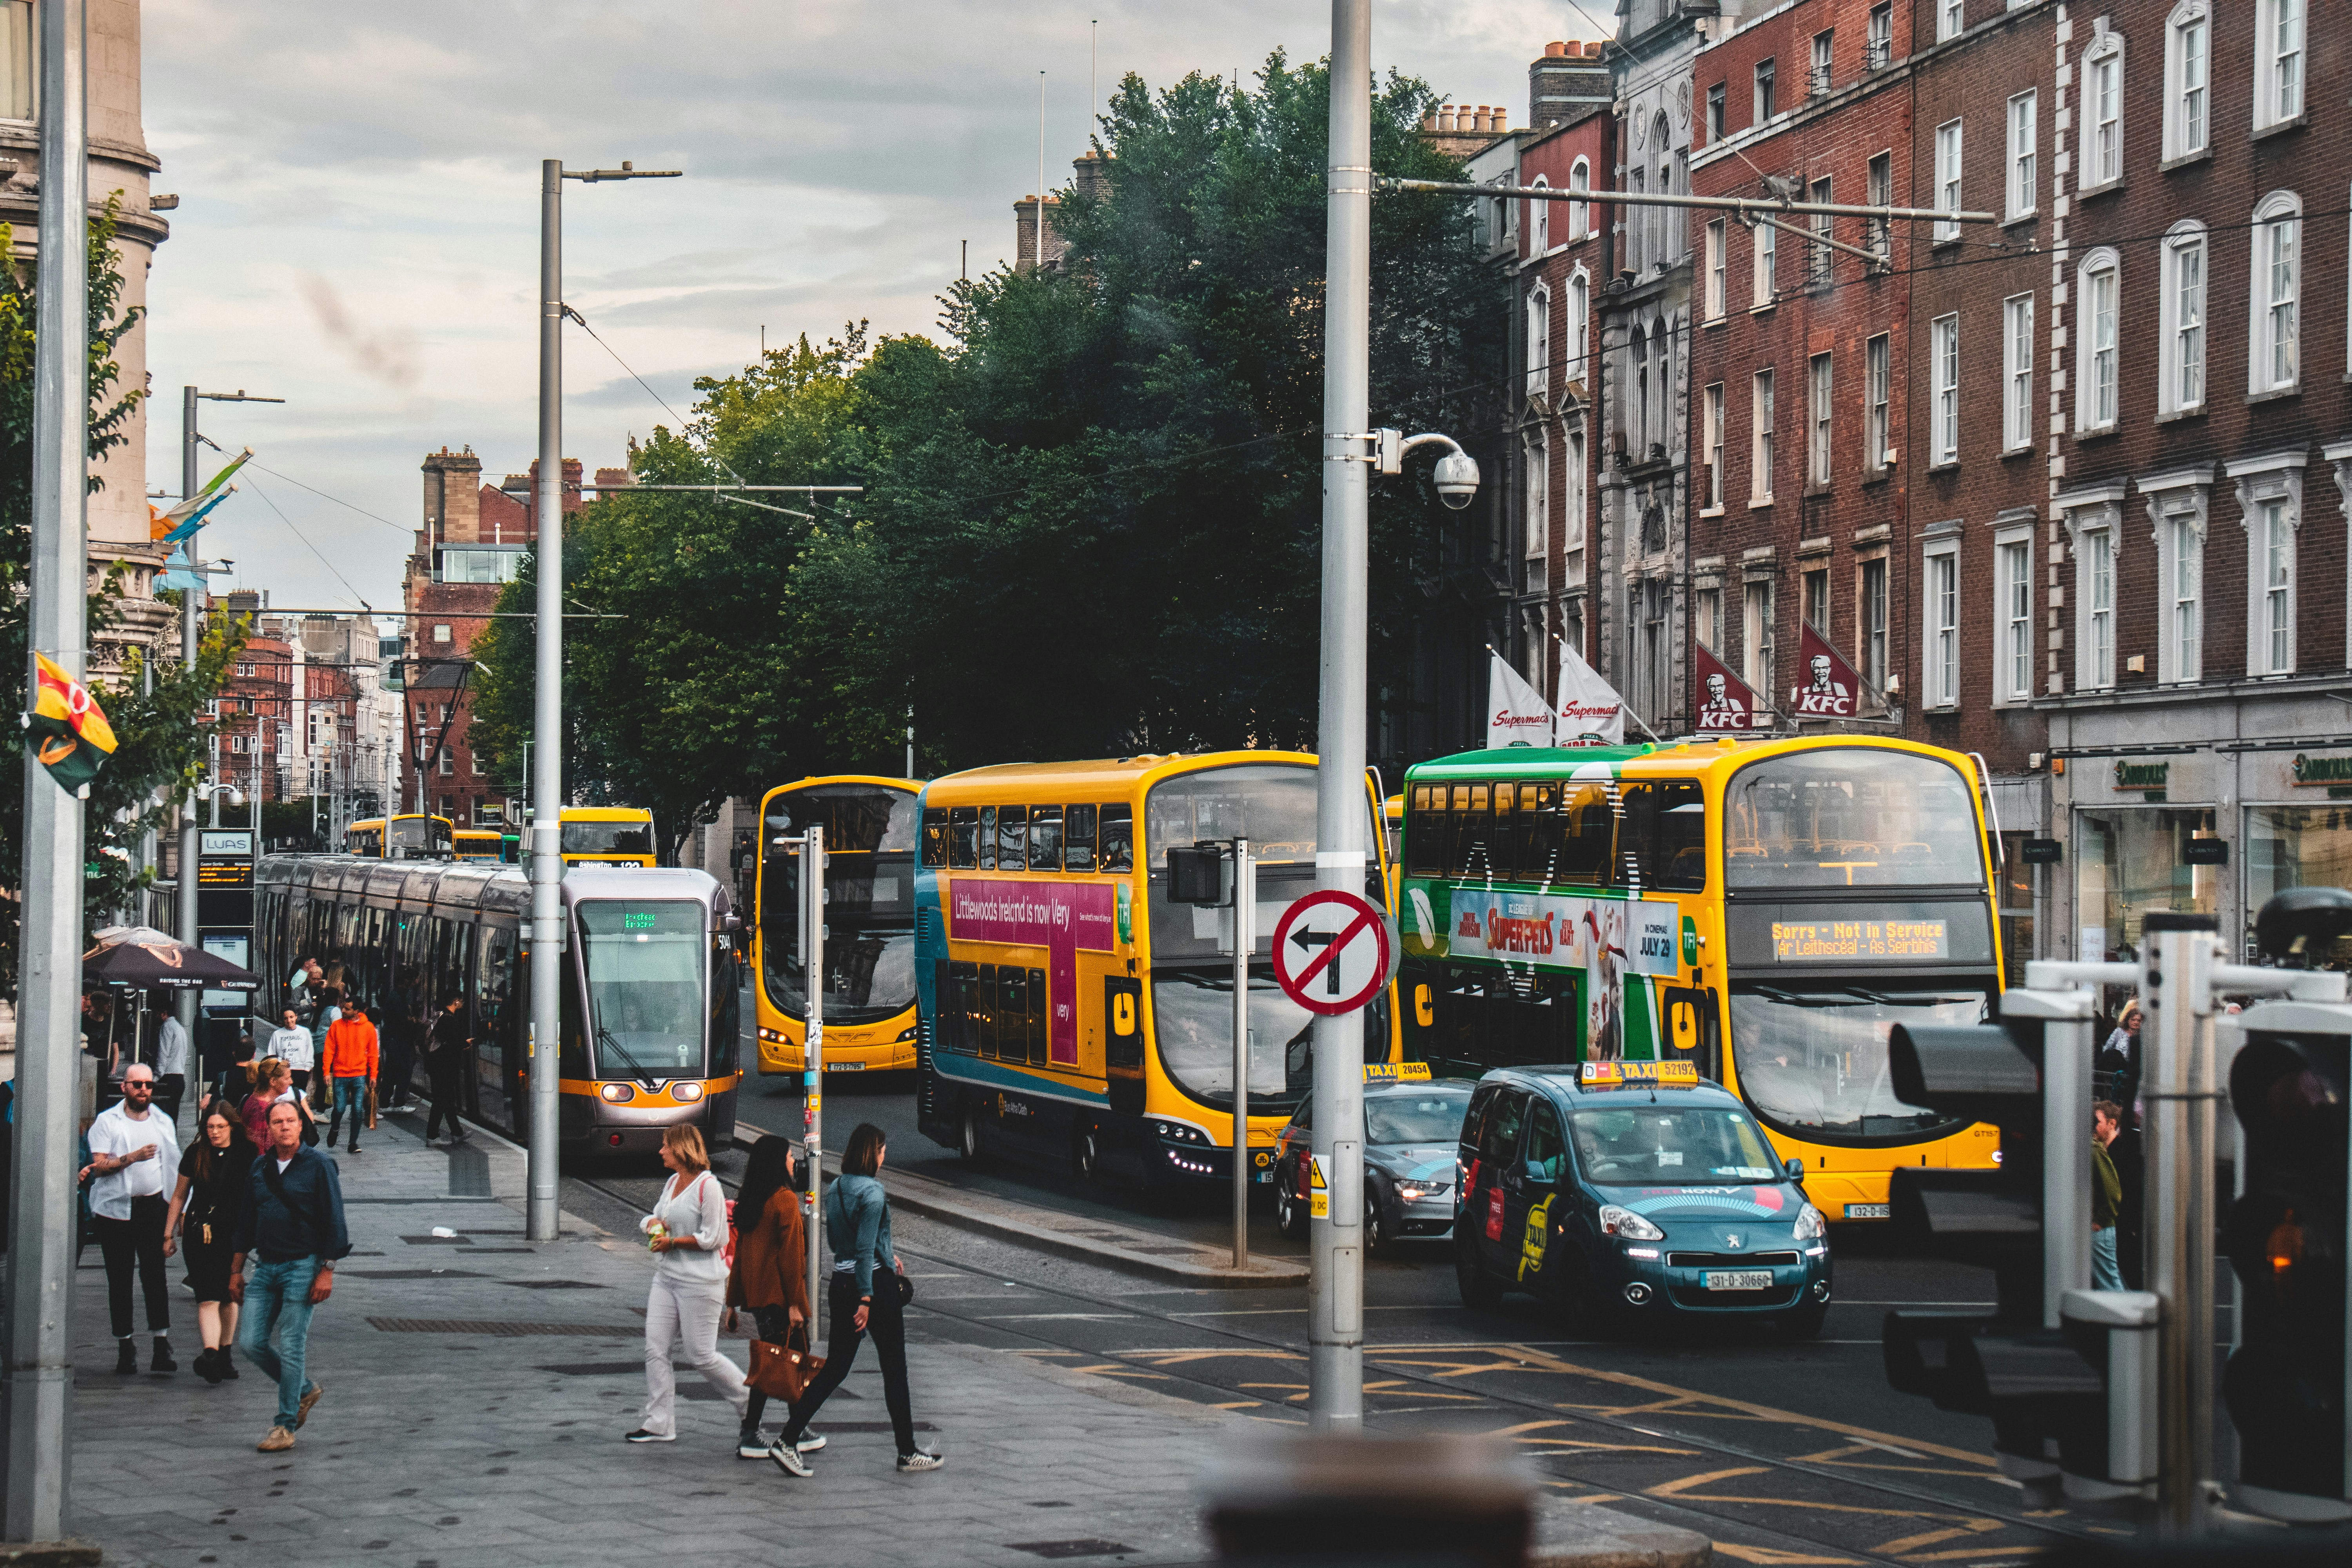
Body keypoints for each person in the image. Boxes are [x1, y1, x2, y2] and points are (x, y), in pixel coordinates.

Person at [768, 1123, 941, 1475]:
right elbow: (864, 1248)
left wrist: (883, 1254)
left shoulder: (837, 1188)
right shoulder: (874, 1194)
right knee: (895, 1370)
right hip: (871, 1288)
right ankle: (907, 1451)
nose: (884, 1155)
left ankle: (787, 1439)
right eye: (882, 1150)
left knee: (835, 1368)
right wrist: (867, 1298)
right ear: (873, 1154)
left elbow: (841, 1244)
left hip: (841, 1284)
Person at [232, 1098, 348, 1452]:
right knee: (251, 1343)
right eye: (277, 1121)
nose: (284, 1127)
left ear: (301, 1126)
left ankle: (284, 1427)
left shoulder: (319, 1166)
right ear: (268, 1128)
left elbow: (334, 1220)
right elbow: (247, 1222)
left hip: (304, 1265)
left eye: (290, 1121)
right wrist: (236, 1270)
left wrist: (327, 1271)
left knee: (292, 1342)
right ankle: (303, 1390)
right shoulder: (260, 1168)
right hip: (266, 1266)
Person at [628, 1125, 749, 1445]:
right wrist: (653, 1225)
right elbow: (655, 1216)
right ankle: (659, 1423)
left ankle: (748, 1402)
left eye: (666, 1146)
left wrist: (674, 1243)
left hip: (701, 1283)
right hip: (666, 1278)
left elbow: (716, 1238)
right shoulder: (672, 1182)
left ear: (681, 1149)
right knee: (655, 1349)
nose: (661, 1151)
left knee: (702, 1355)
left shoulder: (708, 1186)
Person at [724, 1138, 820, 1460]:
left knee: (784, 1358)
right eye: (791, 1157)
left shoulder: (751, 1199)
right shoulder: (784, 1201)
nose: (794, 1162)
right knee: (774, 1364)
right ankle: (752, 1433)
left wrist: (732, 1303)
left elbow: (740, 1256)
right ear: (778, 1163)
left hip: (758, 1297)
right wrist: (796, 1304)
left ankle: (797, 1428)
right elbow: (792, 1258)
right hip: (779, 1297)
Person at [83, 1063, 181, 1375]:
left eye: (149, 1085)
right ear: (124, 1087)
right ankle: (125, 1346)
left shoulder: (163, 1121)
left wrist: (176, 1215)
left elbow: (174, 1166)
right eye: (137, 1084)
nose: (144, 1090)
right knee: (120, 1279)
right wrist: (131, 1158)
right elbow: (98, 1166)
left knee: (155, 1276)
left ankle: (161, 1344)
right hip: (115, 1211)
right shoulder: (107, 1121)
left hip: (153, 1207)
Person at [164, 1103, 256, 1383]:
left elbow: (255, 1194)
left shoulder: (247, 1153)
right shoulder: (196, 1153)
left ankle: (224, 1354)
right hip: (199, 1233)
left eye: (220, 1127)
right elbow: (180, 1195)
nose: (214, 1133)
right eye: (210, 1127)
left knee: (228, 1294)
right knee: (207, 1296)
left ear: (232, 1126)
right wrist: (168, 1233)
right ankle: (211, 1354)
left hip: (232, 1234)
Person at [321, 1004, 379, 1155]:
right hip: (340, 1075)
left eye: (347, 1009)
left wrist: (373, 1075)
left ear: (356, 1011)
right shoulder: (336, 1026)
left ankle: (353, 1143)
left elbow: (373, 1053)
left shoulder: (368, 1028)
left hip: (359, 1075)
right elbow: (329, 1050)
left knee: (357, 1110)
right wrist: (327, 1072)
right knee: (339, 1108)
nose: (343, 1011)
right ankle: (335, 1128)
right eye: (343, 1008)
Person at [422, 996, 471, 1145]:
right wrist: (465, 1044)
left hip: (437, 1064)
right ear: (455, 1001)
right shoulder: (450, 1020)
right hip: (445, 1066)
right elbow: (453, 1042)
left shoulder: (440, 1016)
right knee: (441, 1100)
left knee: (447, 1100)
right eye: (461, 1000)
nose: (462, 1003)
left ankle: (457, 1133)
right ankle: (432, 1136)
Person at [2091, 1101, 2126, 1291]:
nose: (2094, 1125)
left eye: (2097, 1121)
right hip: (2107, 1225)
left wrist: (2101, 1220)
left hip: (2104, 1227)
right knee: (2111, 1278)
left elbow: (2114, 1192)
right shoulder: (2099, 1149)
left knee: (2110, 1283)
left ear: (2112, 1123)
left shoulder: (2098, 1150)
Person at [240, 1058, 295, 1147]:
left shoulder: (258, 1100)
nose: (291, 1082)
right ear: (273, 1081)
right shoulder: (261, 1111)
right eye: (287, 1078)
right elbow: (259, 1149)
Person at [155, 1003, 191, 1125]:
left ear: (164, 1013)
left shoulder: (167, 1027)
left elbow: (163, 1053)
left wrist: (156, 1077)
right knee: (172, 1117)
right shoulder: (180, 1028)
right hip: (179, 1077)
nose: (156, 1016)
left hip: (168, 1078)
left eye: (158, 1013)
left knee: (163, 1118)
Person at [266, 1007, 315, 1096]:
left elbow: (310, 1051)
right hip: (284, 1071)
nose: (289, 1021)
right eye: (286, 1018)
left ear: (296, 1017)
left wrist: (308, 1068)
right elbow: (272, 1054)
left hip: (301, 1070)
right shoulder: (277, 1034)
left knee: (300, 1097)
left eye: (291, 1017)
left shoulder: (305, 1032)